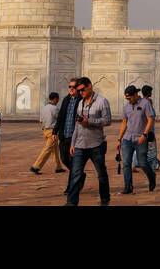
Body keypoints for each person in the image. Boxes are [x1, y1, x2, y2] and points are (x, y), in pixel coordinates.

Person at [66, 77, 111, 206]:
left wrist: (89, 122)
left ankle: (105, 199)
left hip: (96, 144)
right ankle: (71, 202)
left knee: (101, 174)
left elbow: (107, 120)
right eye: (79, 91)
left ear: (90, 86)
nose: (81, 93)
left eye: (82, 90)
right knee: (75, 174)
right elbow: (78, 124)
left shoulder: (102, 101)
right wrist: (73, 143)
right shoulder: (80, 103)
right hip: (80, 144)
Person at [116, 85, 157, 193]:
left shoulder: (145, 103)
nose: (128, 100)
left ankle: (152, 176)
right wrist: (119, 139)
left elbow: (150, 120)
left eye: (129, 98)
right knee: (126, 163)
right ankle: (128, 187)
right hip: (127, 139)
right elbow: (124, 122)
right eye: (127, 98)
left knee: (142, 163)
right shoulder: (127, 107)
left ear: (135, 94)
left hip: (140, 138)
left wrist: (144, 135)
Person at [30, 91, 64, 175]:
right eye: (57, 99)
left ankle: (58, 167)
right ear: (55, 99)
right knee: (47, 149)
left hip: (45, 130)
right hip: (52, 131)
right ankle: (36, 166)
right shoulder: (55, 109)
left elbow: (41, 120)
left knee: (55, 149)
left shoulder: (44, 108)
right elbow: (60, 120)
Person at [55, 78, 80, 181]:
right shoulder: (66, 99)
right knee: (64, 159)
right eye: (70, 86)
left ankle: (72, 185)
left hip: (75, 136)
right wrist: (55, 131)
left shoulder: (81, 100)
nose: (71, 89)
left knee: (73, 161)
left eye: (73, 87)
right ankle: (79, 175)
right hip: (64, 134)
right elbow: (61, 116)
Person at [135, 85, 160, 171]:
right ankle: (153, 165)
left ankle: (134, 164)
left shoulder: (140, 102)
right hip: (148, 129)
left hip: (142, 128)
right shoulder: (147, 102)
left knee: (139, 147)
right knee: (151, 148)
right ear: (148, 92)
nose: (151, 93)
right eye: (150, 91)